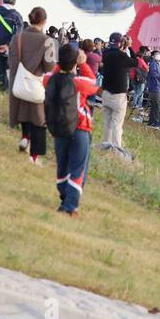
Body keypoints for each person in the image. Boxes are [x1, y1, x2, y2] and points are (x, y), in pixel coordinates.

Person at [44, 43, 99, 215]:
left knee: (62, 166)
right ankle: (70, 206)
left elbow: (47, 75)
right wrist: (82, 63)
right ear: (75, 62)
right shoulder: (78, 82)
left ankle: (64, 196)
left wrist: (62, 63)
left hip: (59, 128)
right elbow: (94, 84)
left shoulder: (50, 80)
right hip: (81, 128)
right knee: (77, 168)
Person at [9, 6, 57, 166]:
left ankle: (24, 137)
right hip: (37, 83)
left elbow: (13, 60)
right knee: (38, 119)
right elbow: (50, 67)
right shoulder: (49, 42)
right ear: (44, 22)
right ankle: (34, 156)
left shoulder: (18, 37)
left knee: (24, 111)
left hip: (19, 81)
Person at [98, 34, 135, 150]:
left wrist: (123, 47)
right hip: (118, 94)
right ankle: (117, 148)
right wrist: (129, 47)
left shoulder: (106, 54)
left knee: (107, 122)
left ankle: (106, 144)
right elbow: (135, 62)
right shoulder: (122, 56)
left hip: (106, 92)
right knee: (117, 123)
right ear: (121, 43)